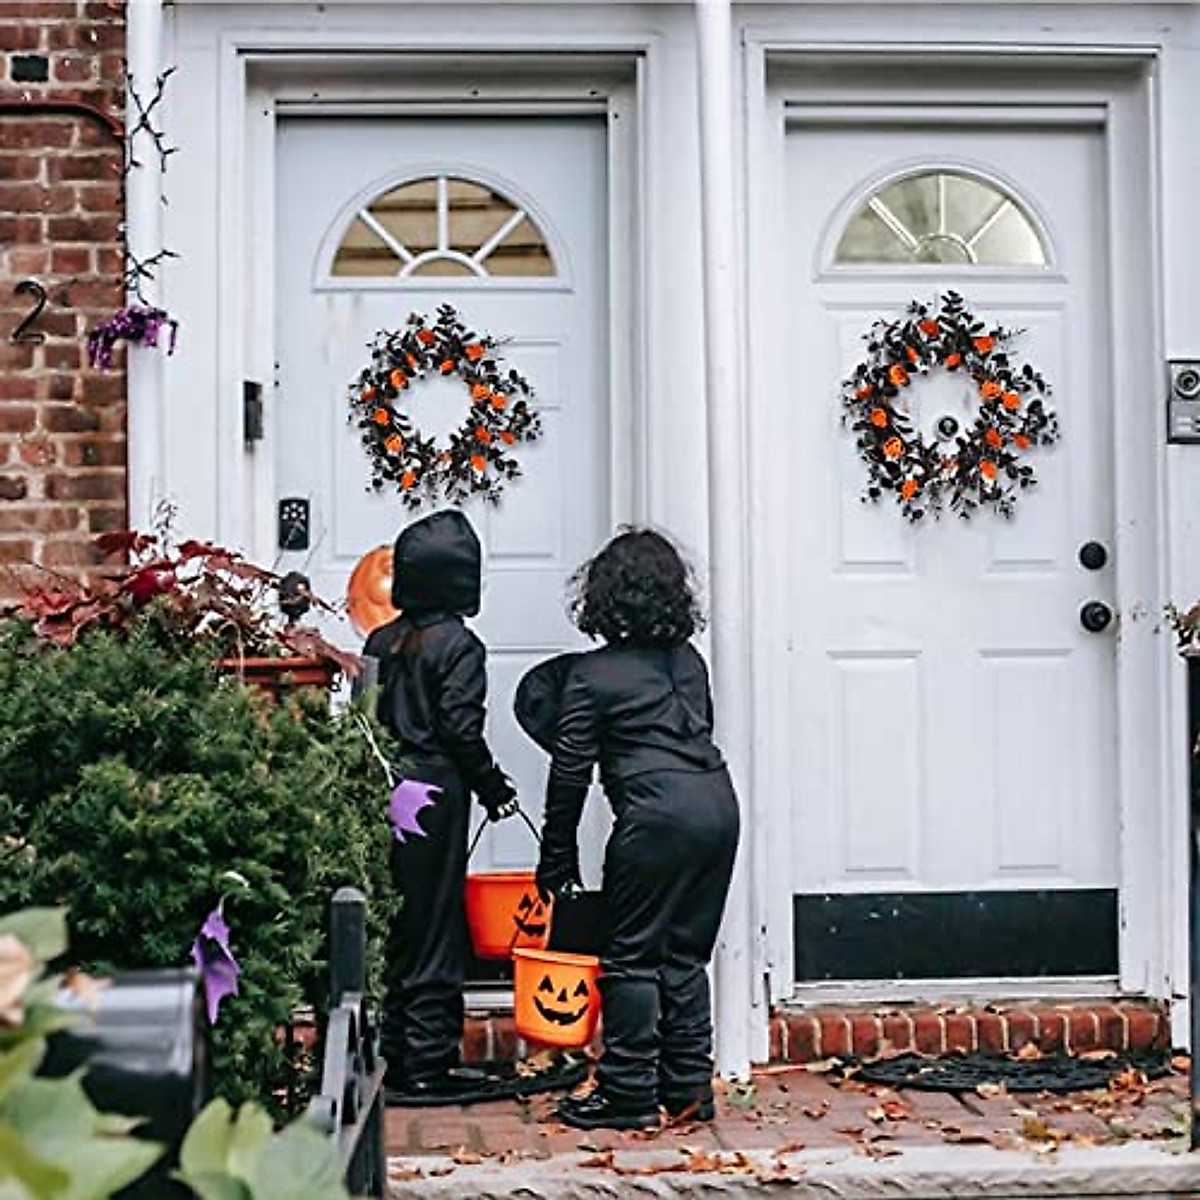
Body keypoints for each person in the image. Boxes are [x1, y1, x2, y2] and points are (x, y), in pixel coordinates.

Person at [514, 528, 740, 1130]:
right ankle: (689, 1089)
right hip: (718, 806)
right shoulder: (689, 663)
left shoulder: (593, 675)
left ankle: (629, 1094)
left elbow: (570, 774)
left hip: (656, 816)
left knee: (630, 957)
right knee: (686, 955)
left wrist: (555, 858)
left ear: (604, 597)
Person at [364, 509, 518, 1100]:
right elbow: (459, 728)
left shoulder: (382, 640)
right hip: (434, 792)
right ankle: (427, 1058)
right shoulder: (460, 646)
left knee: (401, 920)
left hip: (387, 788)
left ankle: (397, 1045)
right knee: (436, 924)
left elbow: (366, 716)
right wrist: (493, 786)